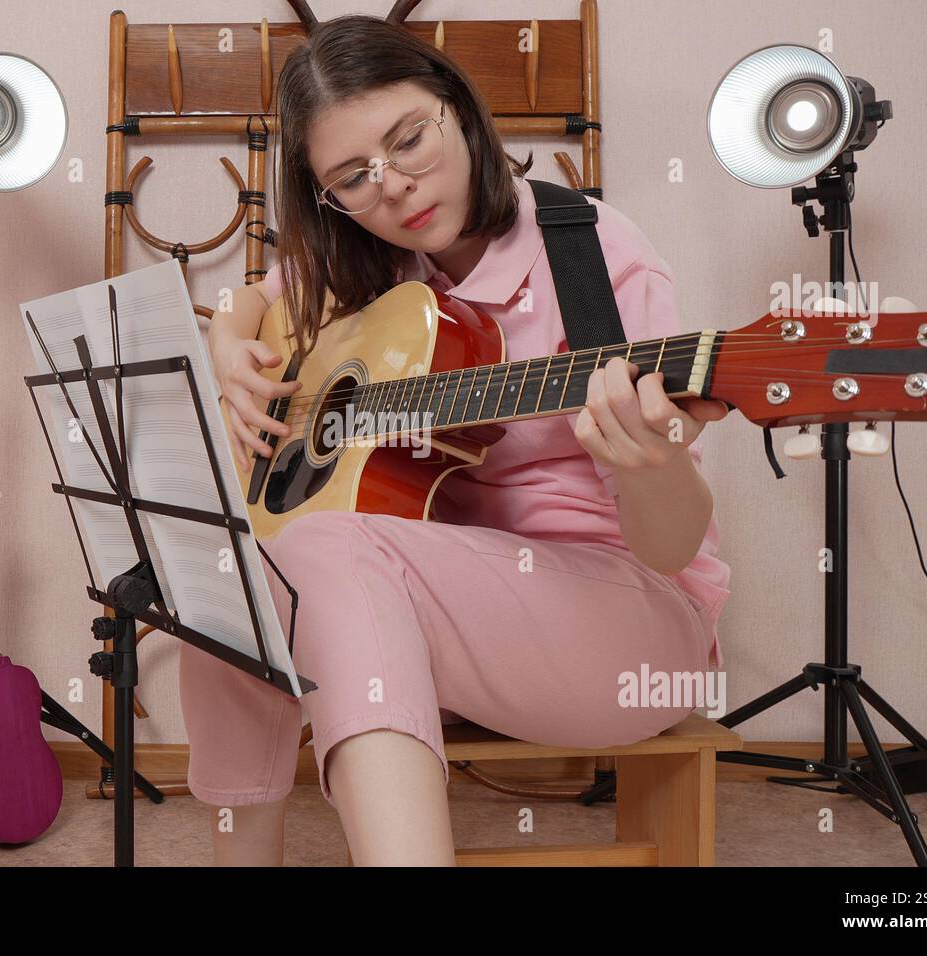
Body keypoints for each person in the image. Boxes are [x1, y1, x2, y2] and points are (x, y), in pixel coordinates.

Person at [186, 14, 732, 866]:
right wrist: (227, 335)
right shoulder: (373, 267)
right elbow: (258, 292)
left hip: (625, 626)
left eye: (408, 140)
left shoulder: (597, 257)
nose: (395, 188)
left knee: (327, 541)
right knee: (227, 573)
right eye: (353, 179)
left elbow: (670, 548)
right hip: (433, 618)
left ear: (456, 105)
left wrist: (653, 460)